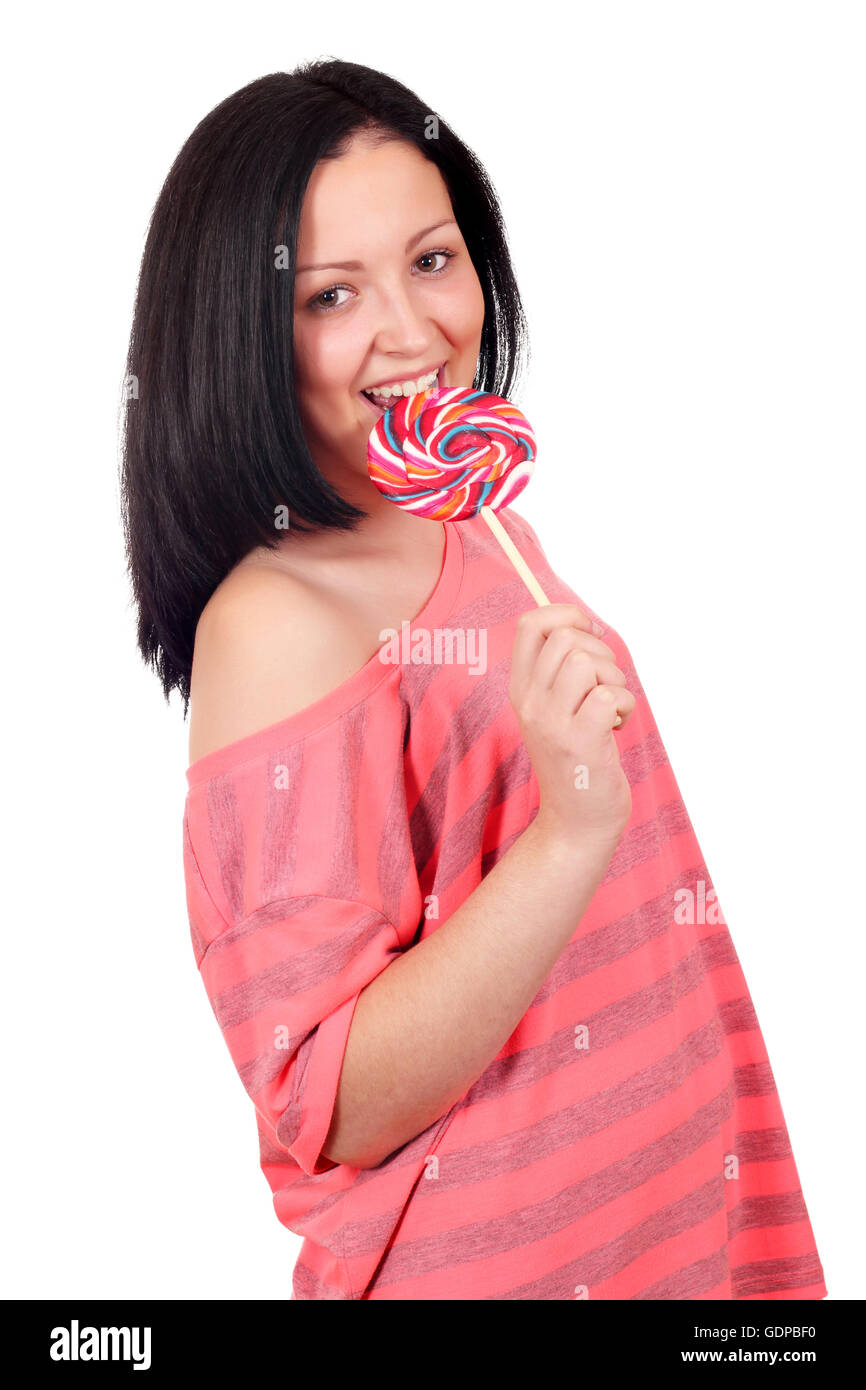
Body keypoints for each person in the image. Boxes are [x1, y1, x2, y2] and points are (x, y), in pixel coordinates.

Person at [121, 60, 827, 1301]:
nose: (413, 330)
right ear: (240, 332)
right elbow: (325, 1096)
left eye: (432, 260)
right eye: (333, 293)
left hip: (669, 1235)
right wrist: (568, 836)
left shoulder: (463, 518)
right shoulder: (274, 619)